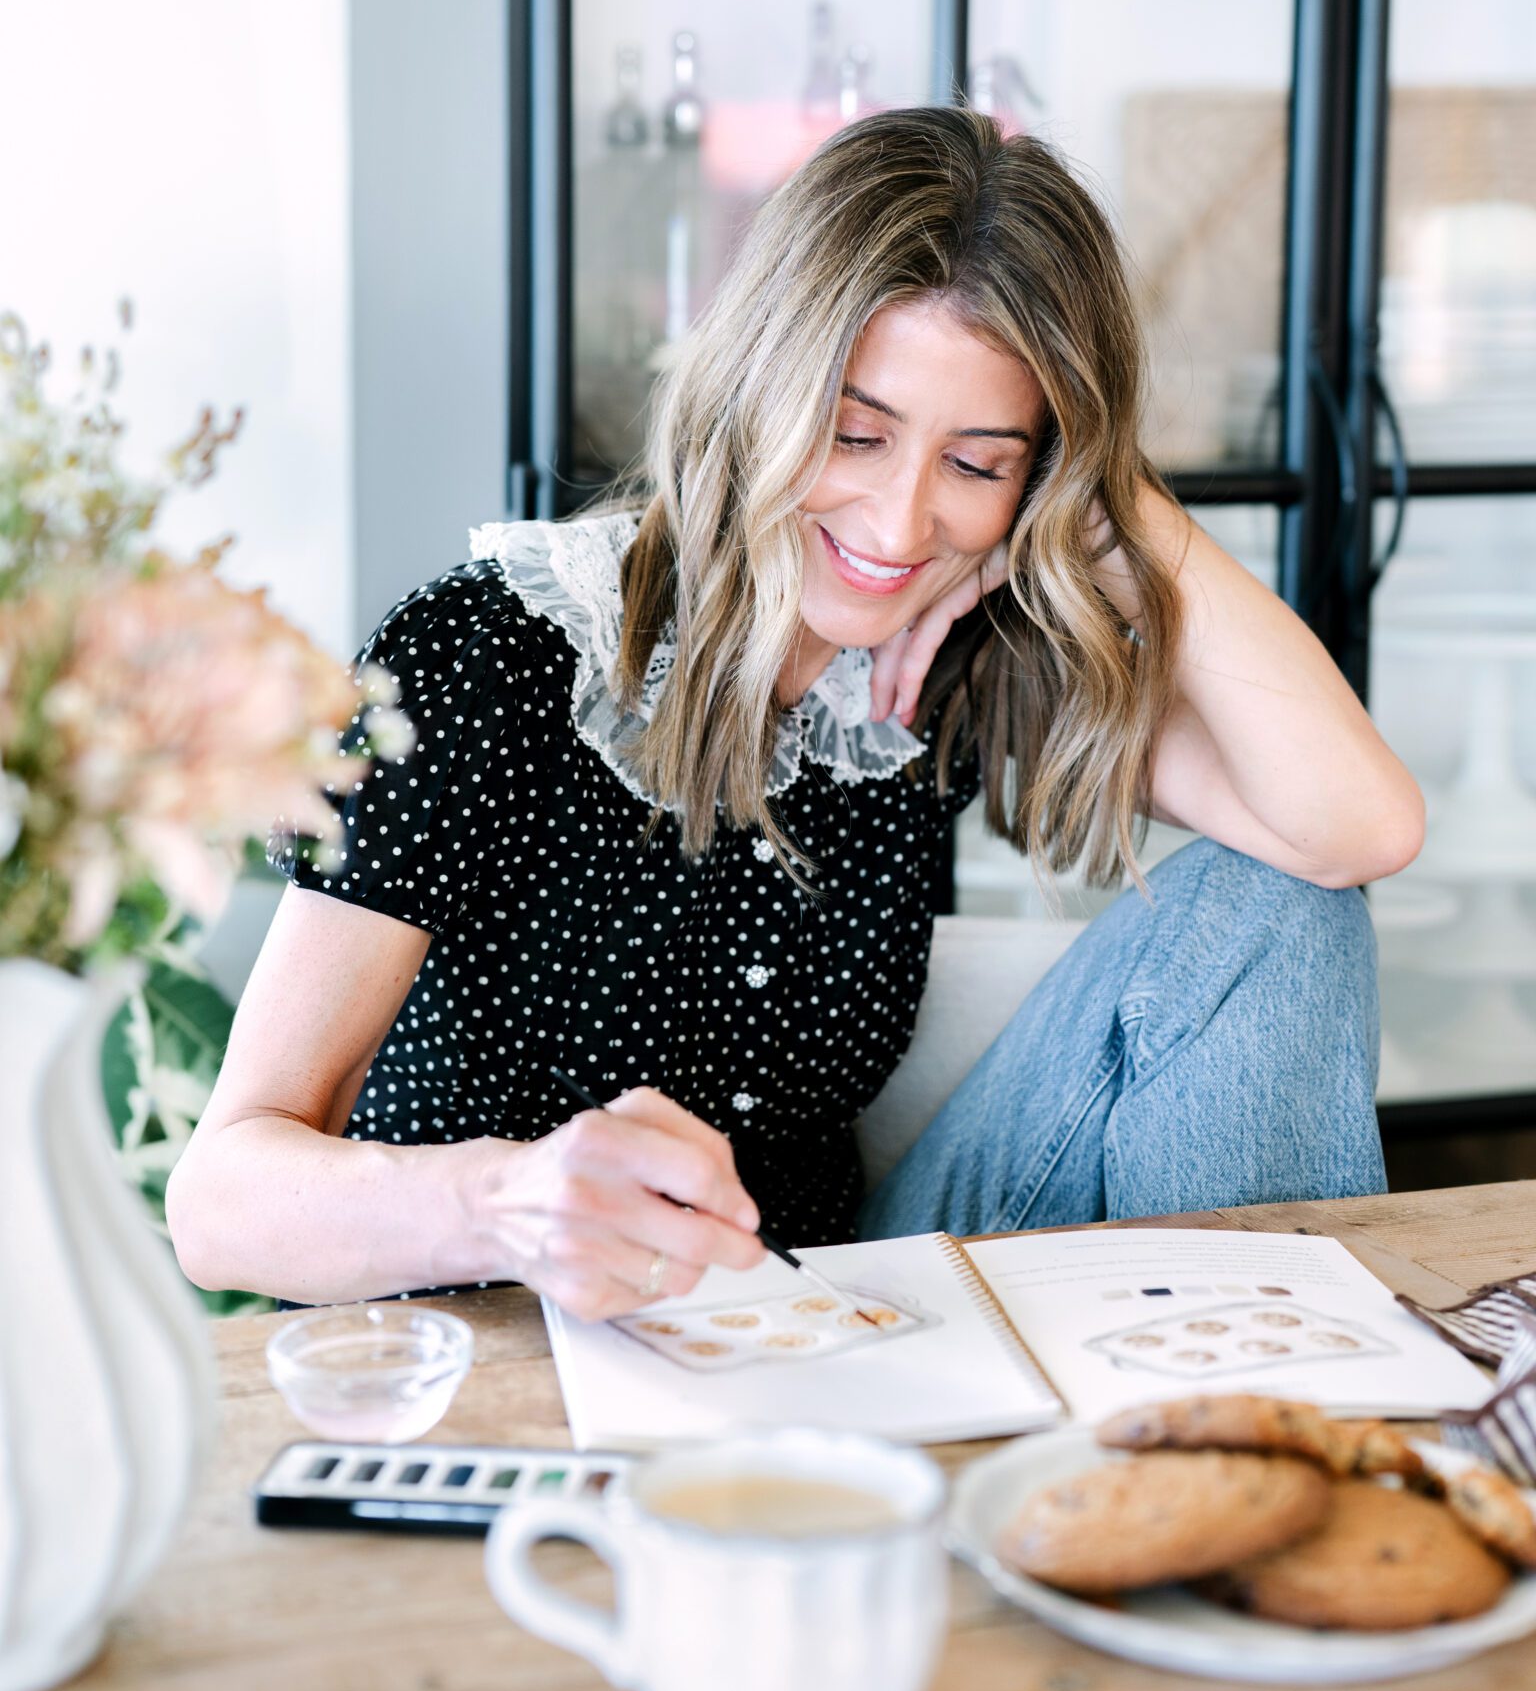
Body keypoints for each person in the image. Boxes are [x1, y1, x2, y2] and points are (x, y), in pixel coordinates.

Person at [165, 107, 1423, 1319]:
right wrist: (506, 1200)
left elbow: (1350, 830)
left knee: (1278, 904)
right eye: (854, 433)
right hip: (518, 1339)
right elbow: (222, 1200)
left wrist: (1124, 509)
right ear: (759, 383)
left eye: (980, 462)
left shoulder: (947, 655)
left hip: (836, 1312)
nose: (899, 524)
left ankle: (1264, 1441)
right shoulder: (485, 654)